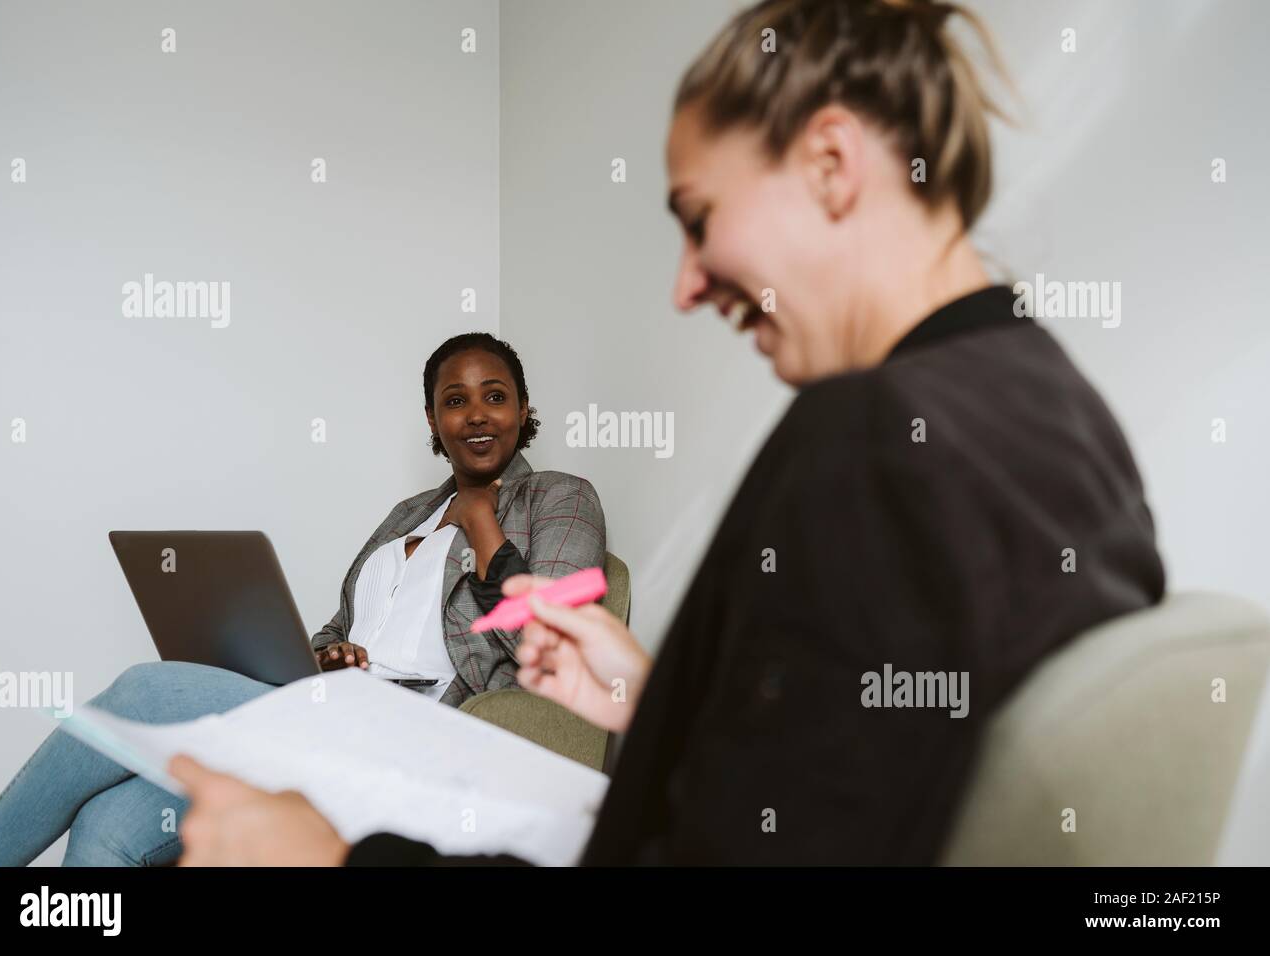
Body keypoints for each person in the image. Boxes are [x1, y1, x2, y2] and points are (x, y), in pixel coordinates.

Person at [174, 0, 1165, 865]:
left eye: (699, 219)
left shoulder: (871, 440)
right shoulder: (1052, 407)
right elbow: (856, 774)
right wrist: (658, 700)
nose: (686, 283)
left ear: (828, 162)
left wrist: (340, 862)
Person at [0, 332, 606, 866]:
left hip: (413, 733)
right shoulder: (408, 514)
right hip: (330, 710)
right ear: (433, 421)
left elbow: (549, 642)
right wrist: (332, 657)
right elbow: (338, 628)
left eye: (495, 397)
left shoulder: (559, 497)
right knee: (109, 820)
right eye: (455, 400)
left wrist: (481, 523)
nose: (475, 414)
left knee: (143, 688)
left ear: (524, 409)